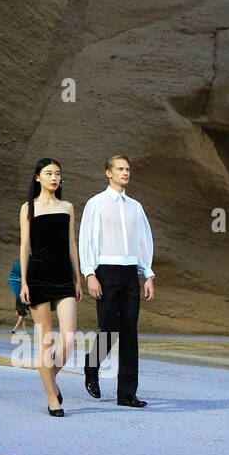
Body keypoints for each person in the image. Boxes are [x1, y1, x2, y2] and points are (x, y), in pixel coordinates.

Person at [80, 154, 156, 408]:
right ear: (108, 173)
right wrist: (90, 273)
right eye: (120, 169)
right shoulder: (96, 203)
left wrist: (148, 274)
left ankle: (126, 394)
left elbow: (143, 241)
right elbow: (87, 239)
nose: (125, 173)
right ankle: (92, 365)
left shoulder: (136, 206)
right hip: (106, 273)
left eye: (128, 169)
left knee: (130, 334)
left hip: (130, 273)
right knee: (109, 328)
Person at [19, 158, 82, 416]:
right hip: (38, 278)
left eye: (57, 173)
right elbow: (25, 247)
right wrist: (23, 282)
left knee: (69, 339)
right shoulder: (28, 208)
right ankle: (51, 397)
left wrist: (78, 279)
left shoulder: (68, 207)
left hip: (64, 278)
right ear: (37, 178)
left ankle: (49, 379)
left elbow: (71, 245)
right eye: (48, 173)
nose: (54, 177)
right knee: (46, 341)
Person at [8, 259, 29, 333]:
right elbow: (18, 301)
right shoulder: (21, 294)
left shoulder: (19, 294)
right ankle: (14, 329)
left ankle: (25, 331)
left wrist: (16, 309)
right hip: (22, 308)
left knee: (22, 319)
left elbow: (17, 301)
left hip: (21, 307)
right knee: (21, 318)